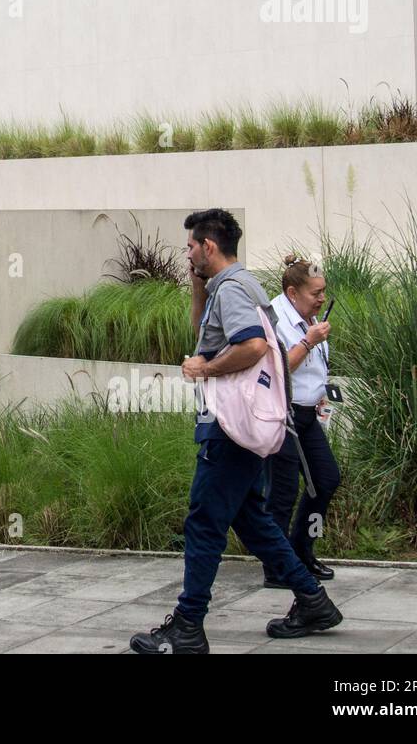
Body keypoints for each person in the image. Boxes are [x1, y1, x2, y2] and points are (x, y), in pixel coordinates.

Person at [130, 208, 342, 654]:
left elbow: (252, 345)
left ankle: (188, 626)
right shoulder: (231, 286)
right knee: (252, 520)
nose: (187, 251)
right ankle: (312, 600)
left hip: (230, 427)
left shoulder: (233, 290)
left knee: (204, 521)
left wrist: (205, 369)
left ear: (209, 246)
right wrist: (196, 286)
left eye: (191, 246)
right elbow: (205, 335)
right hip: (242, 427)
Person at [261, 253, 340, 587]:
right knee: (282, 491)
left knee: (326, 479)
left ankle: (301, 551)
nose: (321, 299)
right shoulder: (274, 319)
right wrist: (309, 341)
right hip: (282, 413)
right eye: (315, 293)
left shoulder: (311, 317)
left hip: (307, 414)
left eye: (324, 292)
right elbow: (279, 368)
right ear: (293, 293)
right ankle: (277, 567)